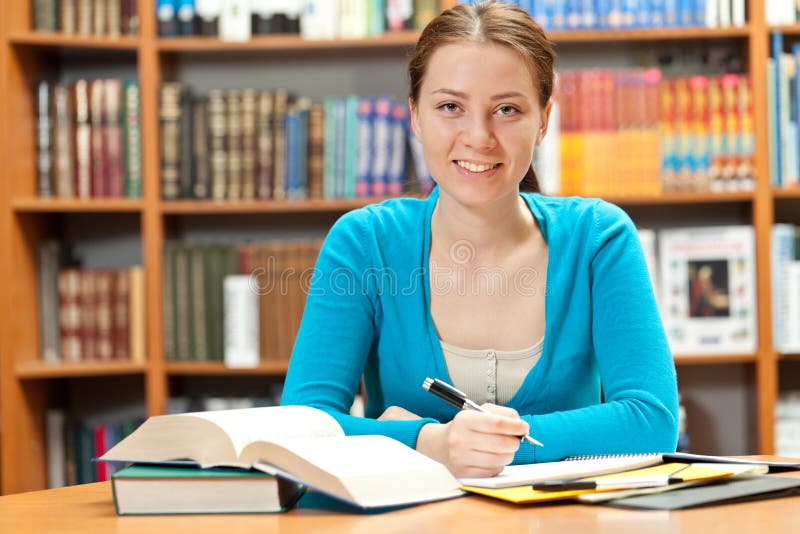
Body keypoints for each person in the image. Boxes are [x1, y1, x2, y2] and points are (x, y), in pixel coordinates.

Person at [282, 1, 678, 478]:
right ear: (415, 115)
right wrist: (432, 442)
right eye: (450, 107)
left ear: (544, 119)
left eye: (507, 109)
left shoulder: (598, 239)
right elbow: (300, 426)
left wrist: (490, 448)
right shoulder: (365, 243)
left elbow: (651, 420)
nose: (478, 136)